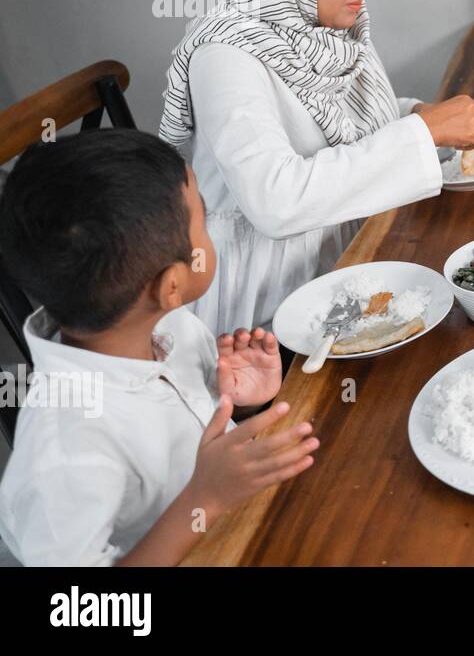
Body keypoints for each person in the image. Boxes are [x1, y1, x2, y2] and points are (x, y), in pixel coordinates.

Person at [159, 0, 474, 335]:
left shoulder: (328, 27)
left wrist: (418, 114)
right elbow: (276, 200)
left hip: (351, 258)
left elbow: (342, 127)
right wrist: (421, 133)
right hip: (264, 308)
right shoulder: (225, 54)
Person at [0, 129, 317, 565]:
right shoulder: (66, 449)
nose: (212, 229)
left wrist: (237, 406)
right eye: (204, 222)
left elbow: (196, 436)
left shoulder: (170, 327)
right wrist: (204, 500)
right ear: (171, 284)